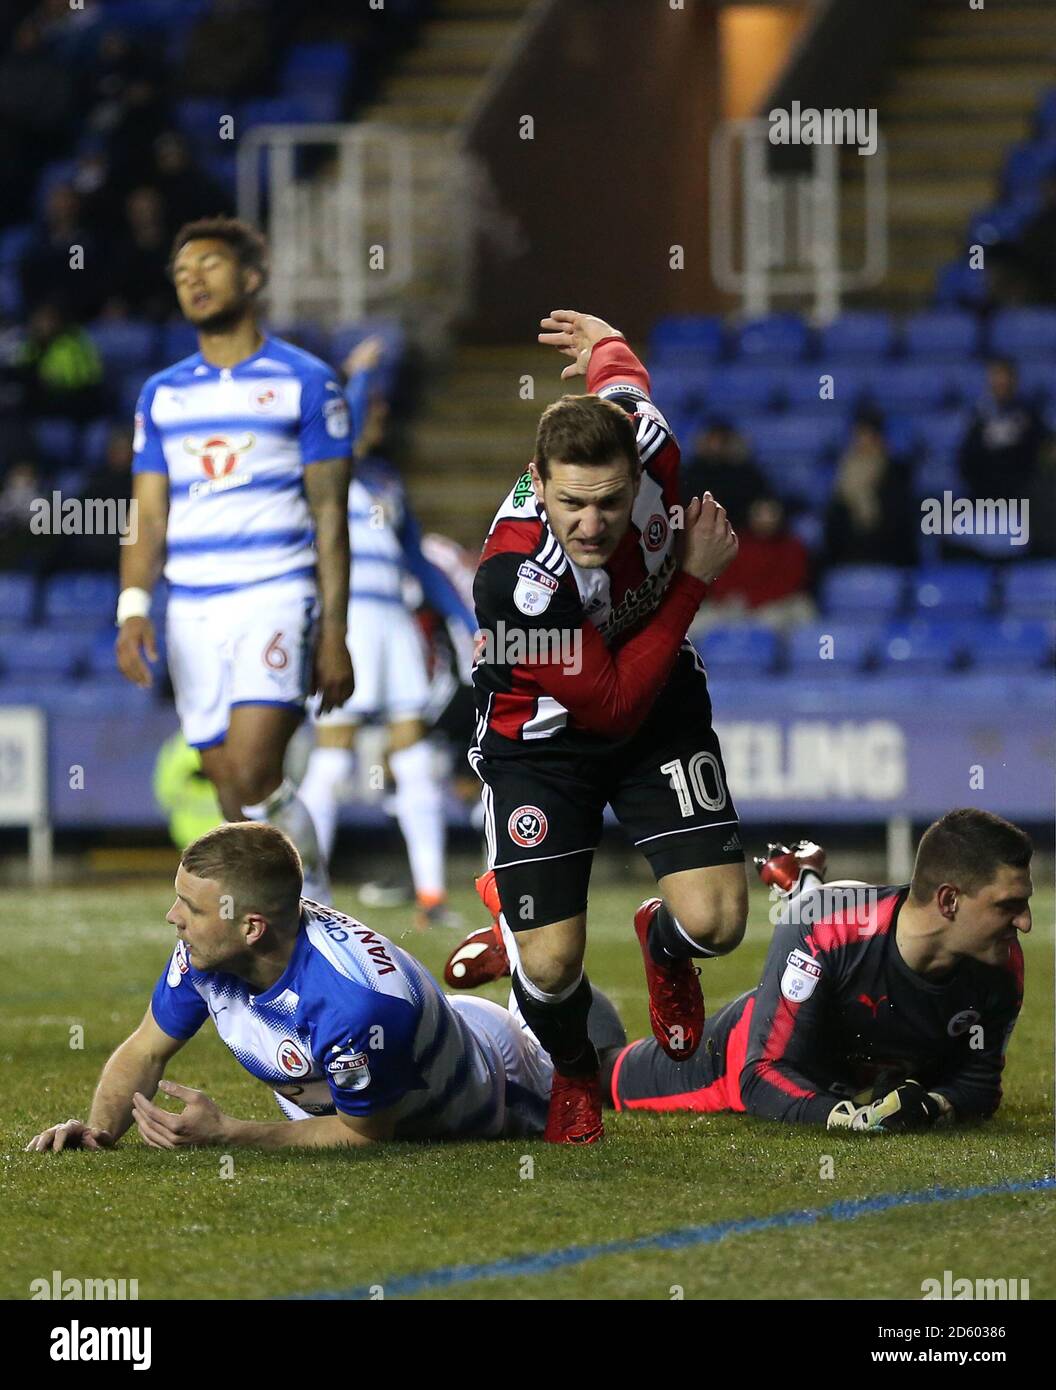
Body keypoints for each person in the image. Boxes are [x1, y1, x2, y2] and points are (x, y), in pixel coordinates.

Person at [470, 308, 746, 1145]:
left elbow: (623, 373)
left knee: (718, 924)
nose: (591, 525)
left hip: (657, 708)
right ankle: (577, 1072)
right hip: (544, 743)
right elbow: (608, 703)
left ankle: (662, 948)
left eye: (611, 502)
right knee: (551, 968)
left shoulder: (652, 437)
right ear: (538, 482)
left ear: (640, 466)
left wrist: (605, 341)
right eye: (570, 505)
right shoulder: (515, 576)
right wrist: (693, 580)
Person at [25, 823, 624, 1153]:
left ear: (252, 926)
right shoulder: (210, 948)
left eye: (188, 906)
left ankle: (524, 953)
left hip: (507, 1074)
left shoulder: (352, 1004)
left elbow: (366, 1133)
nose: (172, 918)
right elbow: (147, 1047)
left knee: (606, 1066)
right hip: (429, 1034)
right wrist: (97, 1132)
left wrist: (231, 1134)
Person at [115, 215, 354, 902]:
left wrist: (334, 630)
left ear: (252, 278)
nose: (192, 277)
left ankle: (323, 908)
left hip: (273, 594)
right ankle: (272, 940)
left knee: (253, 773)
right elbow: (148, 513)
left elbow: (331, 514)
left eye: (209, 263)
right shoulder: (162, 393)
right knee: (228, 790)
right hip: (190, 605)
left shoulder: (307, 382)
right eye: (182, 269)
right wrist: (134, 606)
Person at [605, 809, 1031, 1130]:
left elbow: (979, 1084)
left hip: (850, 1057)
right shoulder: (831, 926)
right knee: (601, 1075)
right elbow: (760, 1076)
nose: (1025, 922)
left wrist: (934, 1105)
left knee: (820, 911)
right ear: (949, 901)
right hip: (729, 1058)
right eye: (1009, 905)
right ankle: (648, 950)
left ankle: (800, 881)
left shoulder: (1000, 967)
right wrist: (848, 1118)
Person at [298, 337, 477, 927]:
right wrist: (356, 375)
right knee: (332, 762)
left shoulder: (386, 483)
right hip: (344, 621)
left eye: (378, 409)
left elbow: (420, 564)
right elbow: (340, 433)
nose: (376, 417)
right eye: (367, 408)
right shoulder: (328, 468)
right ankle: (312, 895)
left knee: (417, 758)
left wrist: (467, 622)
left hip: (394, 627)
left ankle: (431, 897)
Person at [701, 495, 814, 630]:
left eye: (770, 514)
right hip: (736, 606)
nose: (765, 519)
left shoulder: (793, 547)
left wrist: (757, 603)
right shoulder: (733, 541)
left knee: (802, 609)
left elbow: (791, 582)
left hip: (776, 607)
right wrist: (735, 600)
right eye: (760, 514)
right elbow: (721, 577)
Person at [821, 413, 916, 570]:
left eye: (868, 436)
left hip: (888, 553)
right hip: (848, 553)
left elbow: (900, 519)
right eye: (859, 436)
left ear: (880, 438)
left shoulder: (897, 470)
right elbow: (834, 520)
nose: (863, 442)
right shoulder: (846, 471)